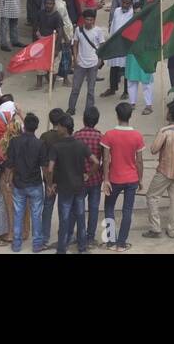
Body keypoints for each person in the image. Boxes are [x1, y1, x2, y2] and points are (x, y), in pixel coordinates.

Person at [48, 115, 100, 254]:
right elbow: (95, 162)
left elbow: (50, 169)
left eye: (58, 126)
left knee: (64, 220)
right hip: (79, 187)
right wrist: (88, 175)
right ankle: (82, 248)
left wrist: (50, 184)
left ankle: (61, 250)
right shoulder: (80, 145)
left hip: (64, 189)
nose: (57, 128)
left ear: (64, 128)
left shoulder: (56, 147)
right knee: (81, 217)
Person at [101, 102, 145, 252]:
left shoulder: (109, 135)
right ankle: (121, 243)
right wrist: (140, 179)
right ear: (130, 116)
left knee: (109, 207)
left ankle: (110, 241)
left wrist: (106, 179)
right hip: (132, 178)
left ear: (117, 115)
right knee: (127, 210)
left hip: (114, 178)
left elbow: (106, 159)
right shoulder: (137, 136)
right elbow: (139, 161)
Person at [143, 103, 174, 239]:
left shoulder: (164, 131)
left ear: (169, 114)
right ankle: (172, 230)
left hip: (165, 169)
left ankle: (155, 228)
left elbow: (153, 149)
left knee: (152, 196)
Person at [3, 112, 45, 252]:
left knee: (18, 213)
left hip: (19, 184)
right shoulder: (40, 144)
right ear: (36, 127)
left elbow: (9, 164)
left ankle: (16, 244)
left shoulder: (14, 142)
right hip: (35, 184)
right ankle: (37, 244)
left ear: (24, 126)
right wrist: (49, 183)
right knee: (36, 215)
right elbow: (44, 167)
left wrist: (8, 181)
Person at [74, 106, 104, 246]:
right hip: (95, 179)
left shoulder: (76, 136)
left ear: (83, 119)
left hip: (79, 179)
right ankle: (90, 237)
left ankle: (78, 234)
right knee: (93, 208)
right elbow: (104, 159)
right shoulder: (100, 137)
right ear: (97, 120)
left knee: (78, 208)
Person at [67, 9, 105, 116]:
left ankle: (89, 110)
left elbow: (102, 47)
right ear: (84, 20)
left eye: (91, 20)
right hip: (81, 63)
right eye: (87, 19)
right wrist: (75, 58)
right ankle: (71, 108)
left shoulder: (98, 31)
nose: (88, 22)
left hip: (93, 63)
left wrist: (100, 60)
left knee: (91, 89)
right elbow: (75, 45)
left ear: (94, 20)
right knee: (75, 88)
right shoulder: (78, 30)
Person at [102, 0, 134, 100]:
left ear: (131, 3)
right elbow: (113, 26)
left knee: (125, 68)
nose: (124, 5)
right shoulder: (116, 11)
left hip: (126, 45)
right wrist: (110, 41)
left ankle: (126, 91)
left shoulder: (134, 14)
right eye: (123, 2)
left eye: (127, 3)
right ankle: (112, 88)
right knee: (114, 66)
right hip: (115, 43)